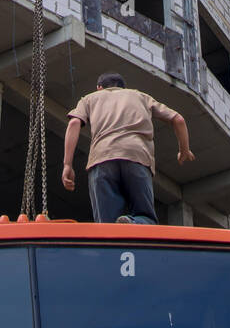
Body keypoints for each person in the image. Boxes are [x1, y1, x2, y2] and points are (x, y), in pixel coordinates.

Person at [62, 72, 195, 223]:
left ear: (99, 87)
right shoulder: (141, 97)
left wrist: (67, 164)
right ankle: (133, 222)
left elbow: (74, 123)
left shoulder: (90, 98)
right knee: (147, 218)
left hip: (102, 158)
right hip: (137, 157)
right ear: (123, 88)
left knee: (106, 226)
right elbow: (178, 119)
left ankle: (118, 231)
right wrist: (184, 150)